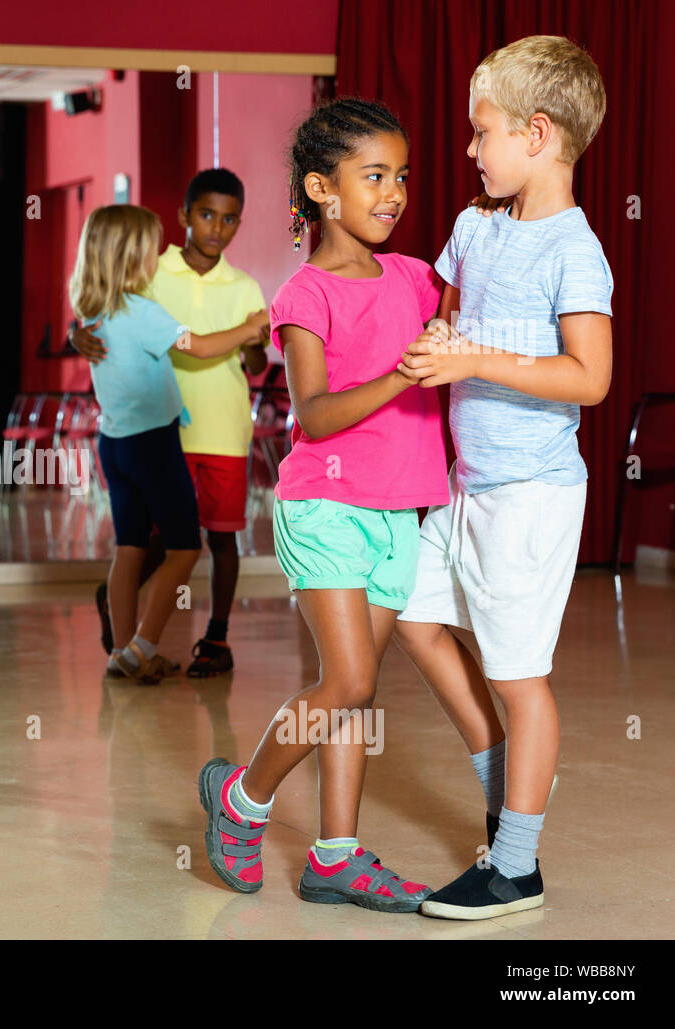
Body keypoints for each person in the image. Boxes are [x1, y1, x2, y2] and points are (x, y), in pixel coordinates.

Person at [198, 99, 448, 911]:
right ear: (321, 187)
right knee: (344, 679)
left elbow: (456, 319)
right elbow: (313, 414)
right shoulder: (305, 294)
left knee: (358, 687)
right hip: (326, 507)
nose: (394, 192)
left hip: (397, 514)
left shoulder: (413, 279)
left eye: (401, 176)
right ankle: (242, 799)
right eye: (374, 175)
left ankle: (335, 854)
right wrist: (404, 375)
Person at [396, 36, 612, 920]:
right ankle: (505, 788)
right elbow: (446, 317)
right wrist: (442, 340)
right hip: (468, 480)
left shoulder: (576, 247)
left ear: (538, 132)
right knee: (414, 620)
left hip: (531, 492)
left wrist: (476, 356)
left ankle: (515, 865)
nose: (472, 151)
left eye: (483, 134)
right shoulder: (472, 226)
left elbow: (588, 378)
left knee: (521, 675)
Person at [73, 170, 271, 677]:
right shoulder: (147, 296)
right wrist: (252, 325)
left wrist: (252, 342)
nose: (216, 228)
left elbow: (254, 364)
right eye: (206, 215)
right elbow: (201, 346)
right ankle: (138, 649)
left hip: (128, 442)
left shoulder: (98, 305)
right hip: (161, 442)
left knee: (133, 547)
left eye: (229, 219)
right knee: (182, 547)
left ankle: (128, 650)